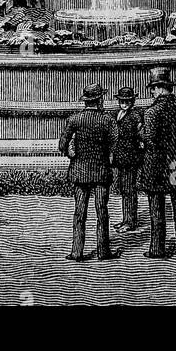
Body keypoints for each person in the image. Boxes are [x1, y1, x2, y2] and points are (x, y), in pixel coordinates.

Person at [58, 83, 120, 262]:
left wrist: (71, 152)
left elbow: (62, 145)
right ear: (100, 100)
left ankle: (77, 252)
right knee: (102, 212)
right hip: (101, 171)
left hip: (80, 172)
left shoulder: (74, 120)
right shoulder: (108, 120)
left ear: (86, 101)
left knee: (79, 212)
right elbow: (115, 145)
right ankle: (103, 252)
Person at [141, 67, 176, 259]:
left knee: (157, 210)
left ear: (158, 88)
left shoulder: (151, 112)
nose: (151, 92)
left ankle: (157, 249)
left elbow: (149, 140)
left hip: (156, 167)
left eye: (152, 88)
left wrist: (140, 134)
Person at [112, 86, 144, 232]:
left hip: (131, 157)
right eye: (122, 101)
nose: (124, 103)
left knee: (129, 189)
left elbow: (140, 135)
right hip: (121, 157)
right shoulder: (117, 114)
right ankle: (126, 219)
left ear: (132, 101)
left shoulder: (136, 116)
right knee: (124, 189)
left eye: (127, 101)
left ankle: (131, 221)